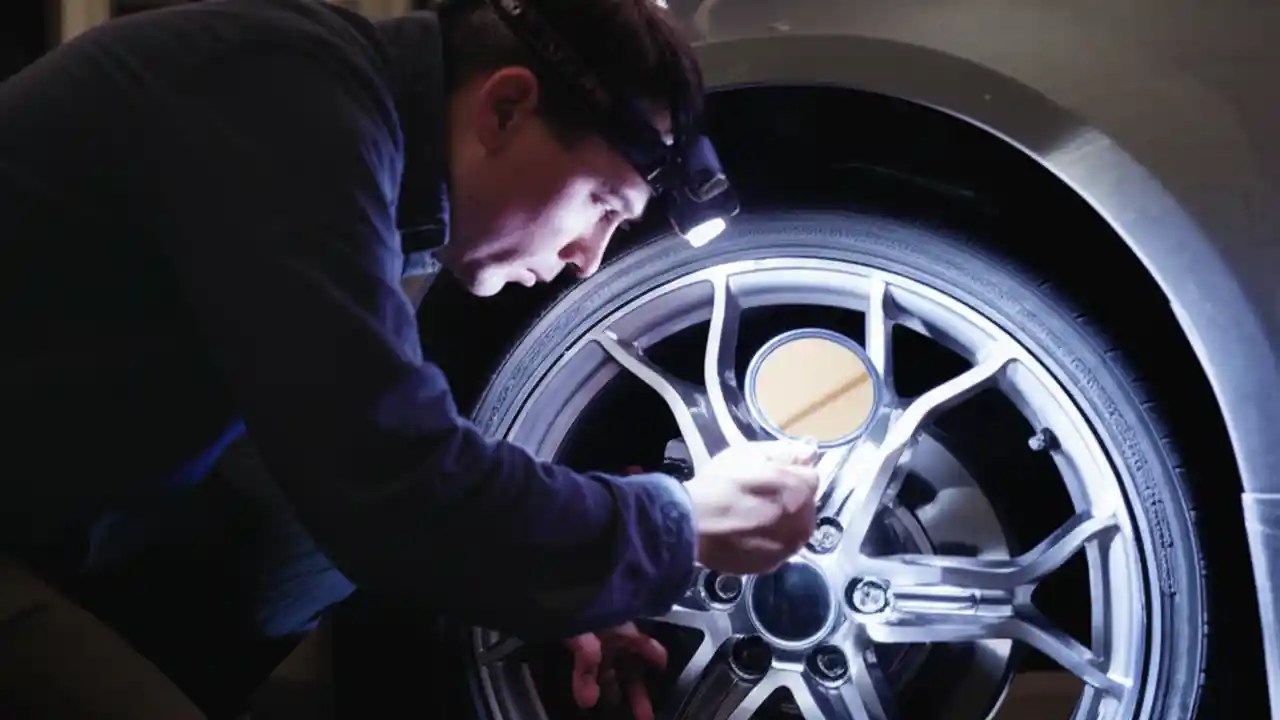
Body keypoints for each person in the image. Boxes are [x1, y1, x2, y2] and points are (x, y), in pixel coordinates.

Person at [0, 0, 822, 718]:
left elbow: (376, 466)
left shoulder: (361, 142)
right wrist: (680, 522)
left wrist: (556, 583)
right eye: (603, 206)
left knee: (301, 533)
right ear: (506, 107)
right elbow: (396, 481)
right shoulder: (288, 99)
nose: (588, 258)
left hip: (53, 506)